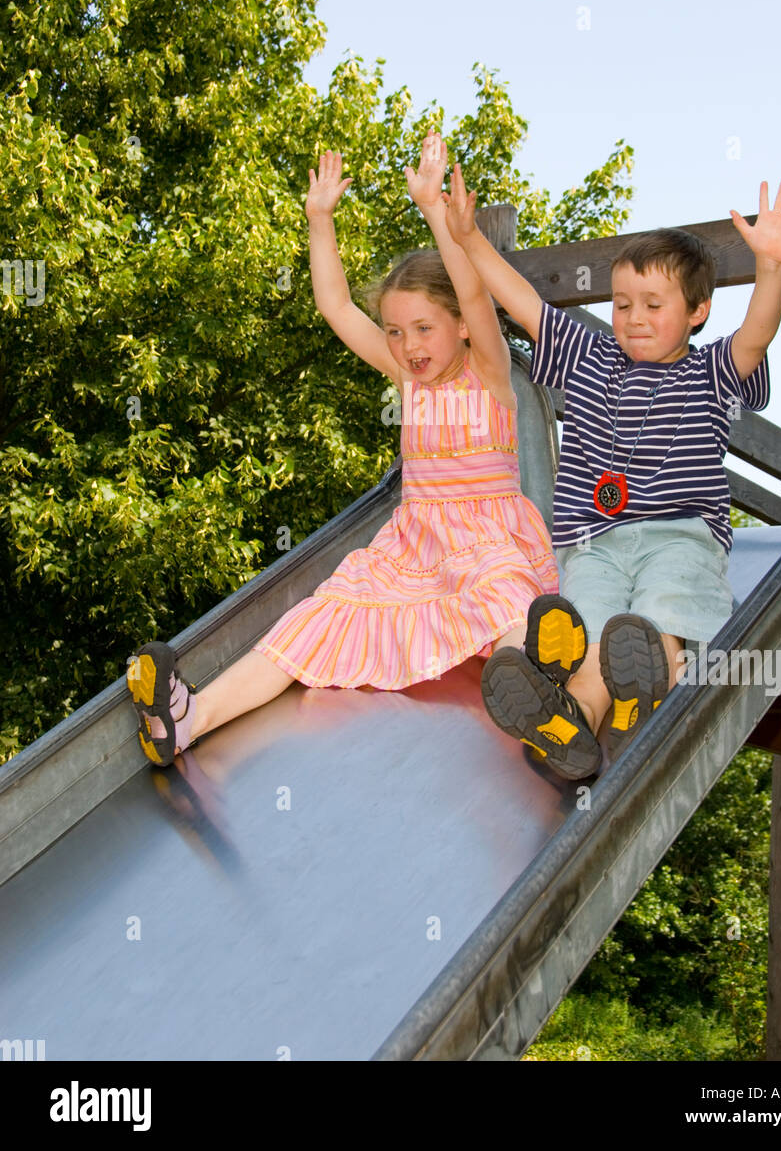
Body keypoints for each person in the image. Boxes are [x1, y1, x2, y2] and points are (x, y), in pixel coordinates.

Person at [126, 132, 560, 765]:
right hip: (411, 545)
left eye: (423, 328)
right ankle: (189, 719)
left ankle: (538, 697)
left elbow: (473, 292)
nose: (409, 345)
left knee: (505, 606)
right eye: (395, 331)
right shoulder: (409, 380)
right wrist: (319, 219)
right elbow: (334, 305)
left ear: (461, 328)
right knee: (316, 617)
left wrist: (435, 210)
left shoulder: (488, 375)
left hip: (488, 540)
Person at [442, 168, 781, 778]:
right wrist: (467, 238)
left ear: (697, 311)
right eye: (620, 304)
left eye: (652, 304)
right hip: (592, 543)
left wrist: (771, 266)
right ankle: (571, 726)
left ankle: (649, 684)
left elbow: (757, 333)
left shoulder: (712, 372)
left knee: (657, 613)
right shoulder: (589, 356)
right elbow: (521, 302)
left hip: (680, 536)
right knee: (589, 640)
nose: (633, 317)